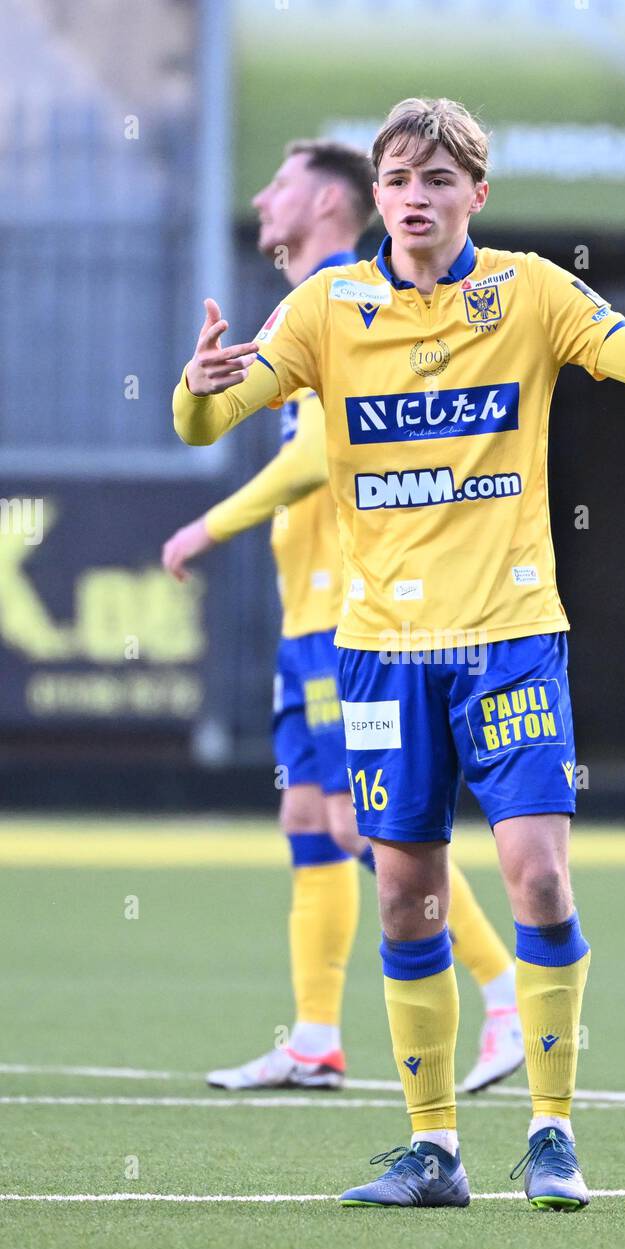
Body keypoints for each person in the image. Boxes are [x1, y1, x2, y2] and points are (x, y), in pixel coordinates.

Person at [172, 97, 625, 1211]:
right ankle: (432, 1146)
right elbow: (207, 423)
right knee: (405, 898)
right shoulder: (325, 307)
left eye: (439, 179)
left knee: (536, 872)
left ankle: (549, 1131)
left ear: (474, 198)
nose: (415, 195)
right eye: (399, 176)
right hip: (383, 653)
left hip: (510, 640)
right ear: (379, 196)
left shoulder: (529, 292)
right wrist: (196, 393)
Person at [163, 139, 524, 1094]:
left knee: (371, 826)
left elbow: (321, 454)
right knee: (310, 813)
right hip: (307, 604)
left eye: (277, 183)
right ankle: (316, 1035)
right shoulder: (306, 301)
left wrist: (212, 522)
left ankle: (507, 992)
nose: (258, 196)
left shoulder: (346, 300)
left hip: (350, 605)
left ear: (328, 202)